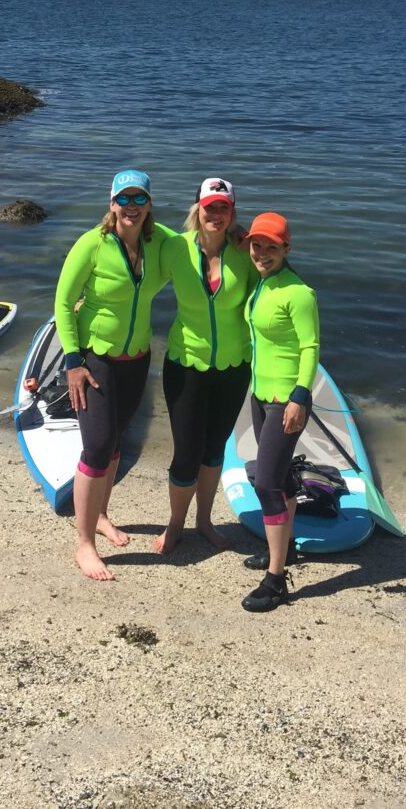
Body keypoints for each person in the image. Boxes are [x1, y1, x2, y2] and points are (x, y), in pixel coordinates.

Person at [55, 170, 173, 582]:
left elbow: (202, 246)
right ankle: (84, 544)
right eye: (124, 199)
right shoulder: (92, 244)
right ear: (111, 205)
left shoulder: (161, 242)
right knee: (98, 446)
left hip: (137, 357)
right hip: (95, 359)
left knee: (117, 439)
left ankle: (102, 515)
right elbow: (63, 301)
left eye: (139, 199)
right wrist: (73, 362)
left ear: (149, 205)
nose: (132, 207)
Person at [153, 178, 256, 555]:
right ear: (197, 207)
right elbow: (136, 271)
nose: (216, 214)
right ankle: (176, 524)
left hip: (234, 366)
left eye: (223, 207)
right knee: (186, 452)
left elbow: (279, 280)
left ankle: (205, 521)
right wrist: (88, 301)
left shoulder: (245, 252)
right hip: (186, 364)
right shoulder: (173, 248)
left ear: (232, 213)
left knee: (215, 449)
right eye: (210, 206)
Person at [239, 212, 319, 612]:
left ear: (287, 249)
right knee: (282, 477)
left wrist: (300, 397)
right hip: (260, 394)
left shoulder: (298, 292)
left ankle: (276, 581)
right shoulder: (263, 283)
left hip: (285, 400)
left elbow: (310, 348)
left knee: (267, 482)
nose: (262, 253)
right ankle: (284, 552)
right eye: (257, 244)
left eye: (272, 246)